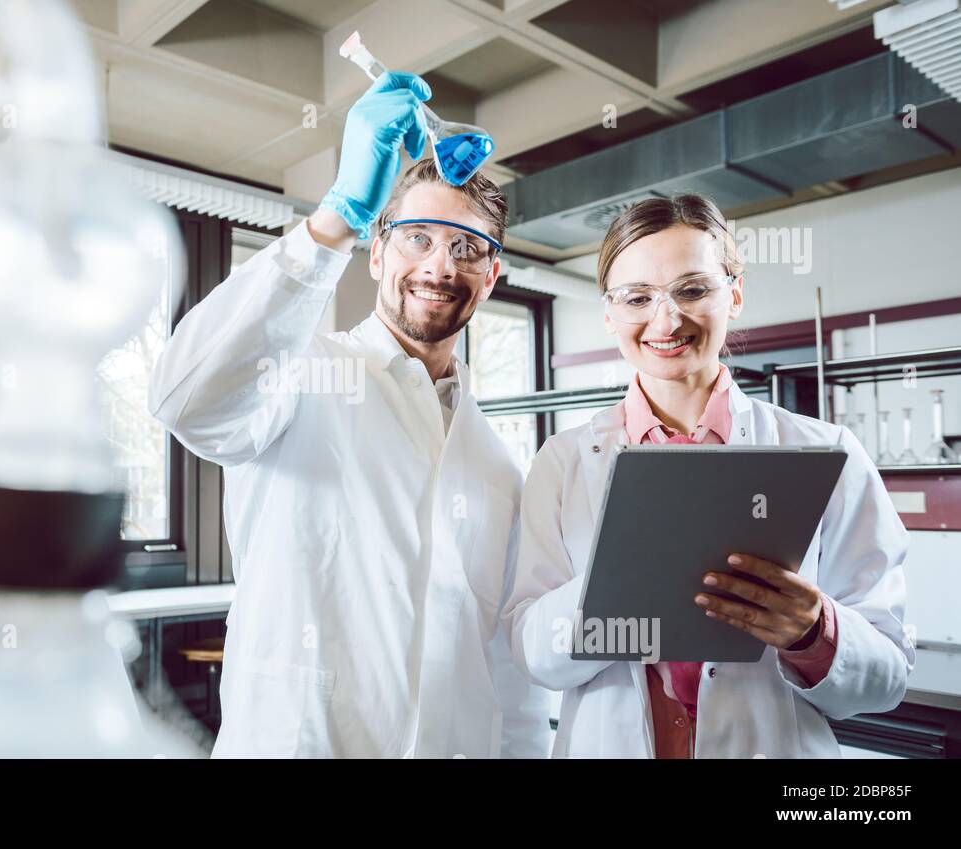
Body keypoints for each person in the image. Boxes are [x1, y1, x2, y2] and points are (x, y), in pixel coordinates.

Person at [150, 71, 550, 757]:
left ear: (490, 277)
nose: (439, 266)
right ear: (377, 250)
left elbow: (511, 672)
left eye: (466, 248)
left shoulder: (499, 465)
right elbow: (187, 398)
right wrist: (334, 217)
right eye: (418, 237)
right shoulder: (302, 377)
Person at [504, 195, 912, 758]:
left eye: (692, 290)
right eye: (637, 298)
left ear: (734, 294)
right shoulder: (565, 460)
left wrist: (815, 630)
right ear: (609, 313)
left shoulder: (826, 453)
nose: (666, 319)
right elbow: (532, 652)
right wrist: (614, 586)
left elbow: (888, 677)